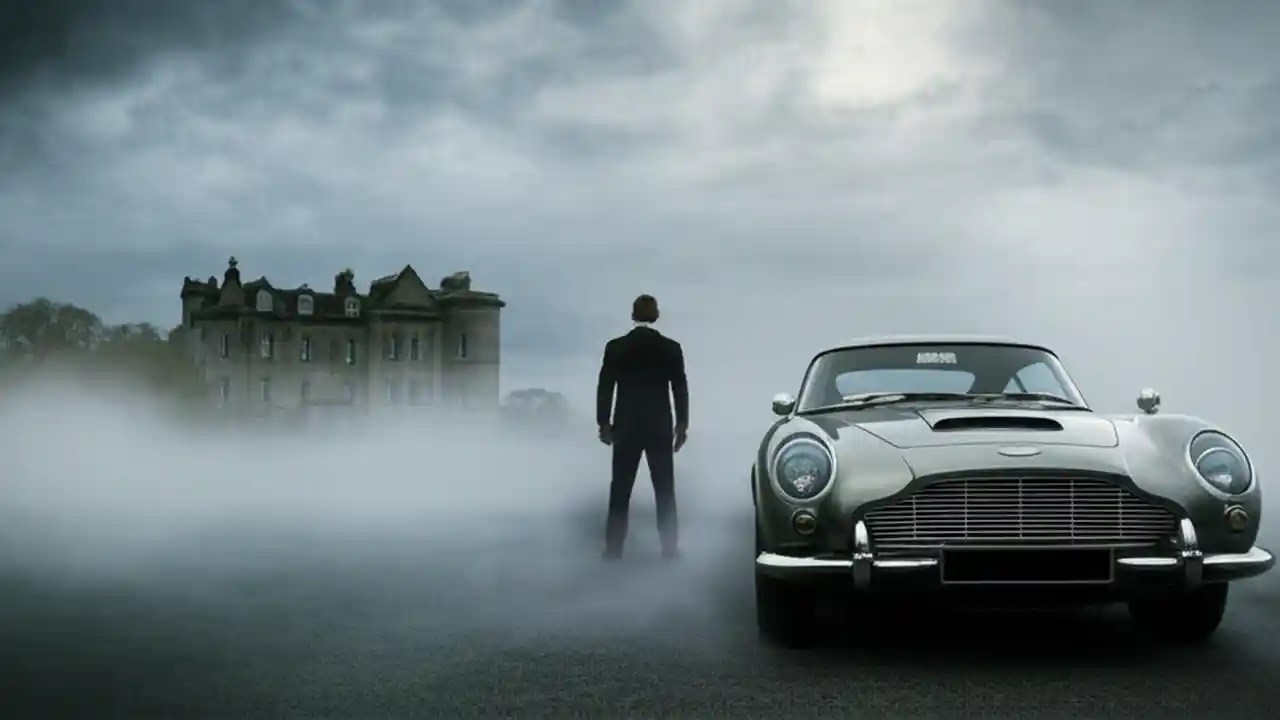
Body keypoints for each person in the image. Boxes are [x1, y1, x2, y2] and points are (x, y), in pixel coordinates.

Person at [596, 294, 689, 560]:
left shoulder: (616, 347)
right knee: (664, 489)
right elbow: (679, 388)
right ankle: (669, 549)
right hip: (659, 425)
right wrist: (682, 424)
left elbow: (606, 387)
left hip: (626, 425)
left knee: (620, 489)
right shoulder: (671, 348)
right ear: (656, 315)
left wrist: (604, 423)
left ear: (633, 315)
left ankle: (614, 549)